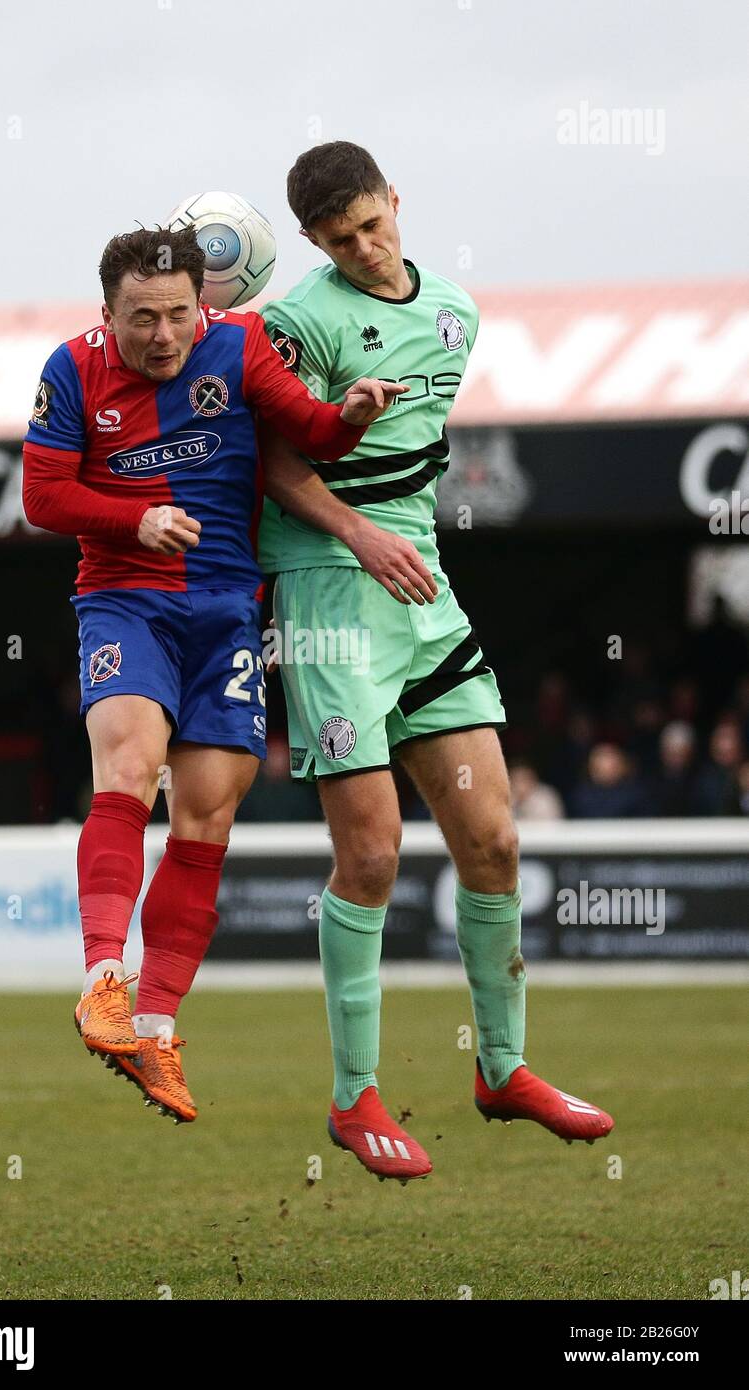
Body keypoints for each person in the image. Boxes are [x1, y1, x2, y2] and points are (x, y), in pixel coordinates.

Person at [258, 142, 613, 1180]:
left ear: (395, 201)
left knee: (493, 841)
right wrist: (358, 534)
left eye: (372, 226)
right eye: (337, 241)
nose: (363, 251)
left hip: (421, 596)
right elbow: (276, 463)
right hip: (329, 598)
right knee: (369, 856)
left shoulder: (456, 309)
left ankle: (501, 1068)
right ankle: (352, 1096)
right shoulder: (299, 321)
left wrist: (392, 538)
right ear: (314, 246)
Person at [22, 224, 426, 1121]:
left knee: (206, 815)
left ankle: (157, 1032)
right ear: (107, 314)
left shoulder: (239, 344)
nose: (163, 335)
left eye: (178, 315)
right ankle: (104, 981)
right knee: (129, 769)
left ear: (203, 305)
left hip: (228, 613)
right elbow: (42, 495)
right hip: (125, 599)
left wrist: (352, 412)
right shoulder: (71, 369)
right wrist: (136, 521)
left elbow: (313, 432)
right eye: (142, 320)